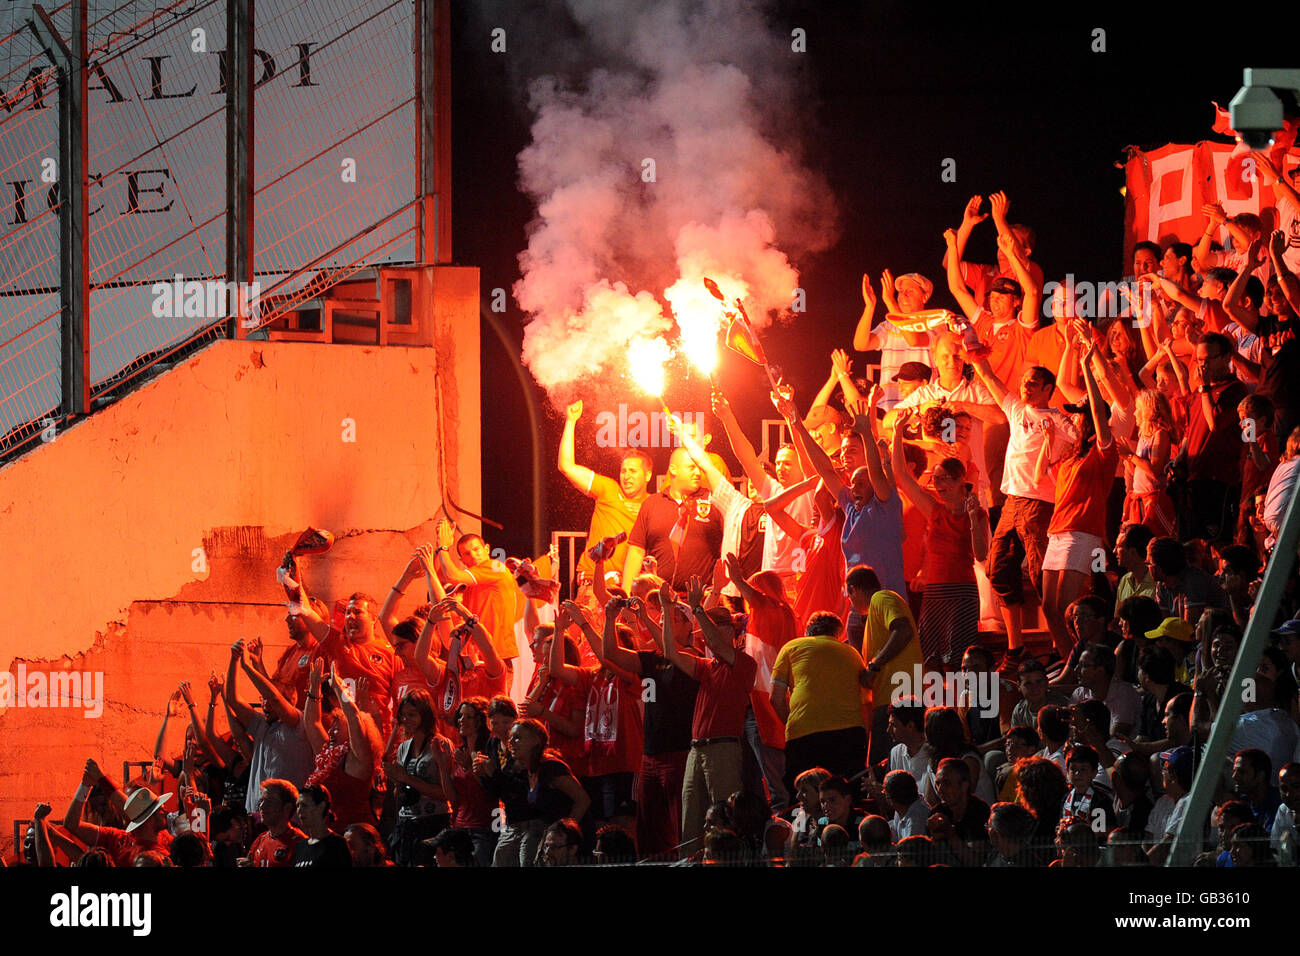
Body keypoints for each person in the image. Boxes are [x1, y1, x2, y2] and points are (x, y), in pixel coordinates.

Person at [971, 350, 1076, 666]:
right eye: (1024, 383)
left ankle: (1062, 649)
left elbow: (1082, 442)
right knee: (997, 568)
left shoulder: (1060, 421)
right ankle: (1015, 650)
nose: (1025, 388)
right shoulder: (1017, 409)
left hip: (1040, 504)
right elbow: (988, 376)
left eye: (1033, 384)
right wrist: (973, 348)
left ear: (1048, 388)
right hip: (1010, 501)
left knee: (1042, 575)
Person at [659, 578, 757, 854]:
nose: (708, 632)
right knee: (691, 821)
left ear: (730, 630)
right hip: (697, 749)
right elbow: (670, 652)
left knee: (724, 818)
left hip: (724, 748)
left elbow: (714, 640)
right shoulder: (707, 666)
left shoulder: (744, 663)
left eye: (717, 624)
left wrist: (698, 609)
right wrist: (667, 609)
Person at [891, 411, 990, 667]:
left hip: (962, 590)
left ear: (959, 481)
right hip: (934, 591)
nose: (938, 485)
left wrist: (971, 518)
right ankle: (934, 706)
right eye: (935, 480)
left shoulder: (976, 513)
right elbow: (901, 475)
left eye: (943, 480)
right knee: (930, 659)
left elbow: (981, 554)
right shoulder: (934, 509)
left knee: (958, 660)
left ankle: (962, 706)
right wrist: (897, 430)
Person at [771, 611, 870, 794]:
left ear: (808, 631)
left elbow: (775, 698)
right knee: (848, 792)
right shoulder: (851, 652)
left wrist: (793, 722)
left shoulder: (791, 647)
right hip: (849, 733)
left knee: (803, 795)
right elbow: (865, 700)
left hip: (805, 733)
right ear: (837, 634)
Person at [558, 400, 653, 584]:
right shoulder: (608, 488)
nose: (627, 476)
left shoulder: (653, 505)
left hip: (627, 589)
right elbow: (566, 466)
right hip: (593, 583)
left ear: (648, 475)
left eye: (633, 471)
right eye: (623, 471)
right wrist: (570, 421)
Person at [224, 639, 315, 816]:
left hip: (288, 818)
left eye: (268, 700)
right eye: (262, 699)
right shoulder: (262, 725)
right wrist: (234, 660)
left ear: (290, 701)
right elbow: (232, 698)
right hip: (257, 815)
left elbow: (274, 698)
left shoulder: (298, 723)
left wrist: (247, 666)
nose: (265, 704)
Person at [1177, 332, 1249, 543]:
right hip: (1193, 480)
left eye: (1209, 359)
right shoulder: (1198, 393)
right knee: (1190, 545)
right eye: (1199, 360)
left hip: (1218, 481)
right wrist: (1179, 458)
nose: (1203, 365)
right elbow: (1190, 432)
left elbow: (1214, 424)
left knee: (1216, 543)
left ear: (1226, 358)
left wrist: (1206, 387)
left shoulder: (1235, 390)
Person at [846, 565, 922, 765]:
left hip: (896, 697)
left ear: (854, 588)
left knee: (879, 771)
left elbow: (903, 630)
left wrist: (873, 666)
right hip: (894, 697)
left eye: (849, 596)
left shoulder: (882, 598)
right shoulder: (873, 615)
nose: (851, 603)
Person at [621, 447, 723, 591]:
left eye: (699, 468)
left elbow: (728, 547)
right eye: (691, 467)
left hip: (701, 604)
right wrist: (625, 597)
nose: (697, 473)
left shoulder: (714, 501)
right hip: (658, 601)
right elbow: (636, 551)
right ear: (673, 470)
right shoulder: (652, 504)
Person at [432, 520, 522, 680]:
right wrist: (440, 544)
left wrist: (443, 548)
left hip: (495, 656)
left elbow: (451, 576)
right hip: (475, 658)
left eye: (476, 549)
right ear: (462, 560)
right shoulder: (473, 577)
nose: (473, 555)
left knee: (493, 705)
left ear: (487, 549)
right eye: (467, 553)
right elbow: (440, 577)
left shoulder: (495, 567)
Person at [302, 659, 382, 829]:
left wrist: (339, 689)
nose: (330, 732)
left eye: (337, 727)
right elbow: (311, 723)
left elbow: (355, 719)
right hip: (328, 834)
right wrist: (314, 687)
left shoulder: (359, 760)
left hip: (355, 837)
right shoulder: (329, 755)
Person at [384, 688, 454, 866]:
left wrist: (407, 778)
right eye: (403, 715)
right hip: (406, 824)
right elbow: (401, 791)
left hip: (433, 823)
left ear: (425, 714)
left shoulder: (440, 744)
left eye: (412, 715)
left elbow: (447, 792)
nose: (406, 720)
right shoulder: (403, 747)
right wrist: (397, 783)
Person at [62, 759, 173, 867]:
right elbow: (72, 824)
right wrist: (87, 785)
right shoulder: (119, 838)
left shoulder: (162, 842)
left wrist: (99, 779)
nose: (165, 812)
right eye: (159, 810)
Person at [448, 697, 500, 867]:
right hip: (460, 825)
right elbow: (453, 796)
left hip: (485, 825)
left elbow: (492, 790)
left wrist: (470, 766)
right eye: (460, 716)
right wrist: (442, 767)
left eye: (469, 717)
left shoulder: (490, 750)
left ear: (480, 721)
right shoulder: (459, 752)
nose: (462, 720)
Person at [926, 757, 991, 867]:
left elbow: (976, 863)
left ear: (964, 786)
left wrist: (951, 835)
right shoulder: (937, 812)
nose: (940, 790)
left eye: (946, 783)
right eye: (938, 784)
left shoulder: (979, 811)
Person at [241, 779, 303, 867]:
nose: (261, 806)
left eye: (269, 802)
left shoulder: (299, 844)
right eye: (261, 801)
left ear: (287, 808)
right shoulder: (260, 840)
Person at [291, 784, 351, 867]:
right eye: (297, 805)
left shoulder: (336, 844)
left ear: (321, 807)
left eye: (304, 805)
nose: (299, 810)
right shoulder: (300, 847)